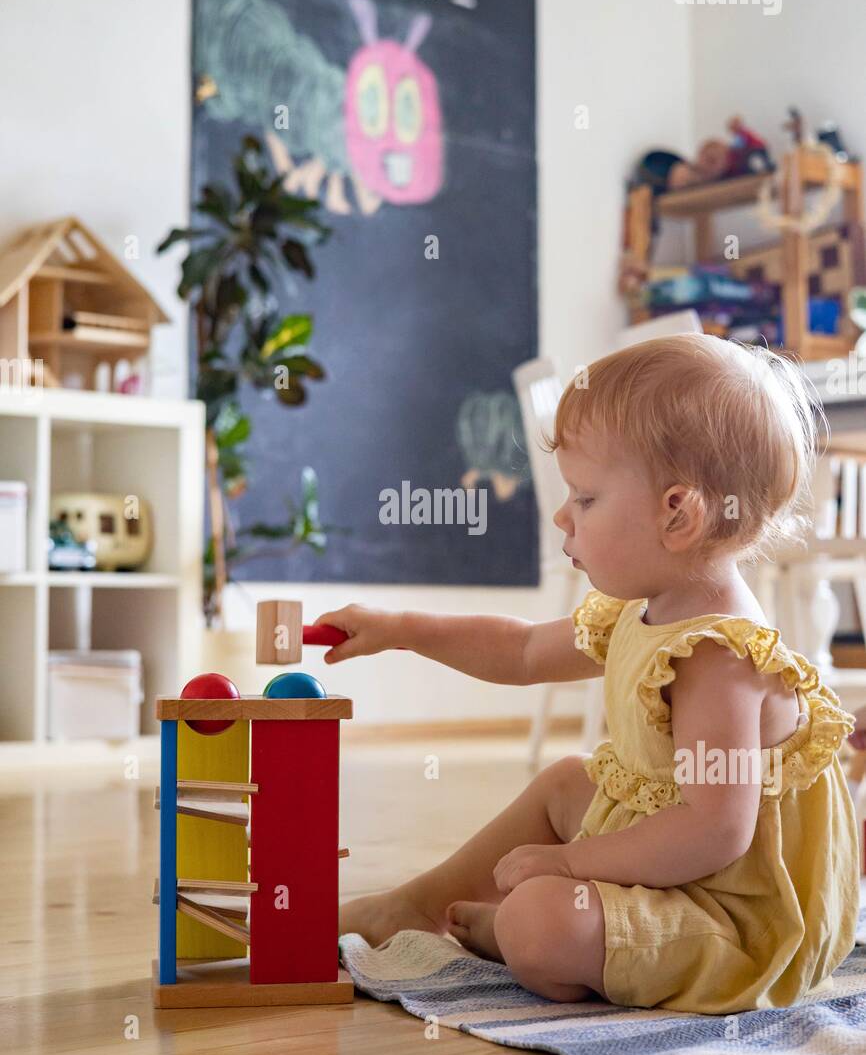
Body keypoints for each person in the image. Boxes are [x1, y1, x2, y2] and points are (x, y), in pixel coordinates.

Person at [322, 334, 860, 1013]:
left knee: (539, 919)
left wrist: (571, 865)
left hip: (732, 914)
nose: (561, 515)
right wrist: (402, 631)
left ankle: (523, 935)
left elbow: (716, 832)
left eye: (585, 498)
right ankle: (413, 907)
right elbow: (519, 652)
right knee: (565, 782)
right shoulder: (643, 613)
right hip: (673, 859)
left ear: (679, 514)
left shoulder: (718, 659)